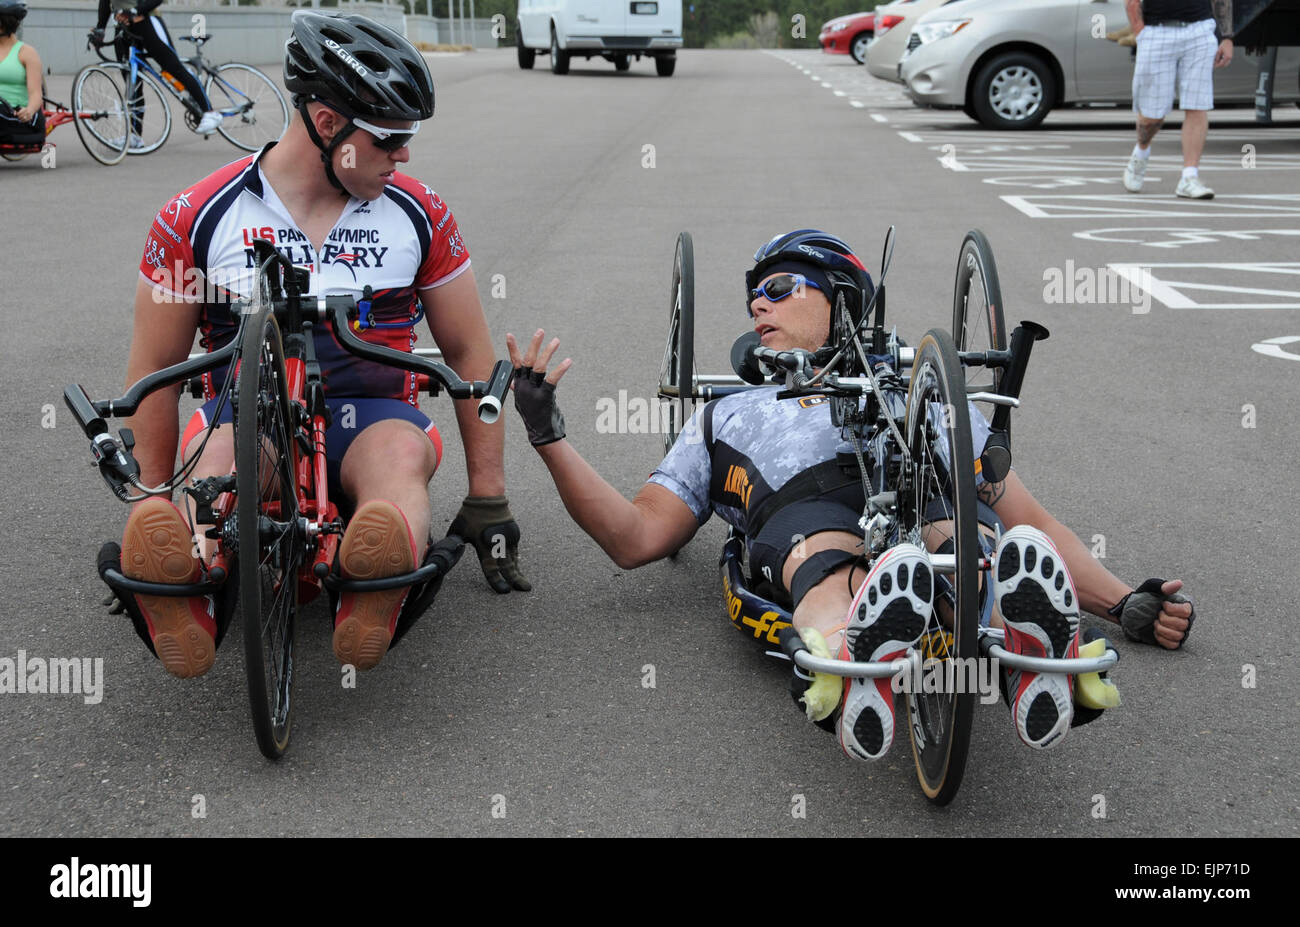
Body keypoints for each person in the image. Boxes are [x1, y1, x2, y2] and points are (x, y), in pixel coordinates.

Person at [506, 230, 1195, 761]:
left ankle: (1030, 655)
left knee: (970, 537)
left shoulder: (925, 390)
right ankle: (857, 667)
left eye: (779, 288)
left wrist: (1126, 600)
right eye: (753, 298)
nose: (757, 304)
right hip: (800, 515)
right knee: (827, 556)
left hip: (929, 500)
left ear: (839, 297)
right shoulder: (730, 410)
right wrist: (547, 432)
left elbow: (1036, 520)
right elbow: (633, 537)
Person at [110, 12, 529, 680]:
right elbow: (156, 373)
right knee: (219, 455)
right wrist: (148, 499)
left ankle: (375, 578)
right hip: (247, 421)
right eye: (391, 138)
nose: (406, 155)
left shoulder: (419, 213)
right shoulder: (196, 214)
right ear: (328, 124)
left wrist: (488, 499)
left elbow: (470, 358)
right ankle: (181, 575)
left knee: (397, 458)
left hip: (375, 418)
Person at [1122, 0, 1234, 199]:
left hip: (1199, 30)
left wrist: (1226, 37)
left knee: (1197, 105)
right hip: (1157, 31)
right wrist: (1140, 31)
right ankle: (1141, 151)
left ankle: (1189, 177)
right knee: (1151, 116)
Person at [92, 0, 222, 136]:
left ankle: (210, 113)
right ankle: (135, 137)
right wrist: (100, 29)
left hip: (146, 20)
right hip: (123, 26)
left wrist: (136, 10)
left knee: (173, 67)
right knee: (132, 83)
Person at [0, 1, 45, 147]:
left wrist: (30, 110)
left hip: (18, 116)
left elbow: (36, 94)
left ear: (4, 24)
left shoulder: (27, 53)